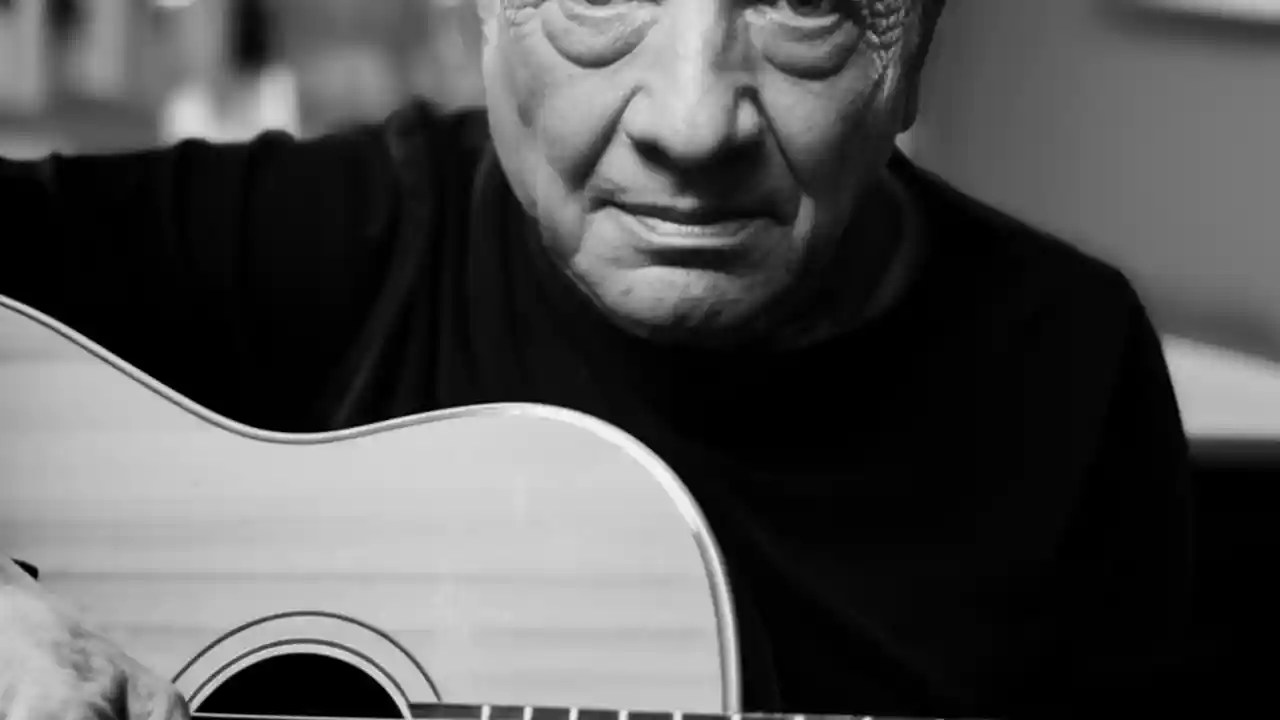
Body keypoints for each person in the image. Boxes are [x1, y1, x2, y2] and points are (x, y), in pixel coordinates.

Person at [0, 1, 1195, 718]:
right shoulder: (314, 250)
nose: (690, 123)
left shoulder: (1064, 368)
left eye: (804, 4)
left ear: (922, 33)